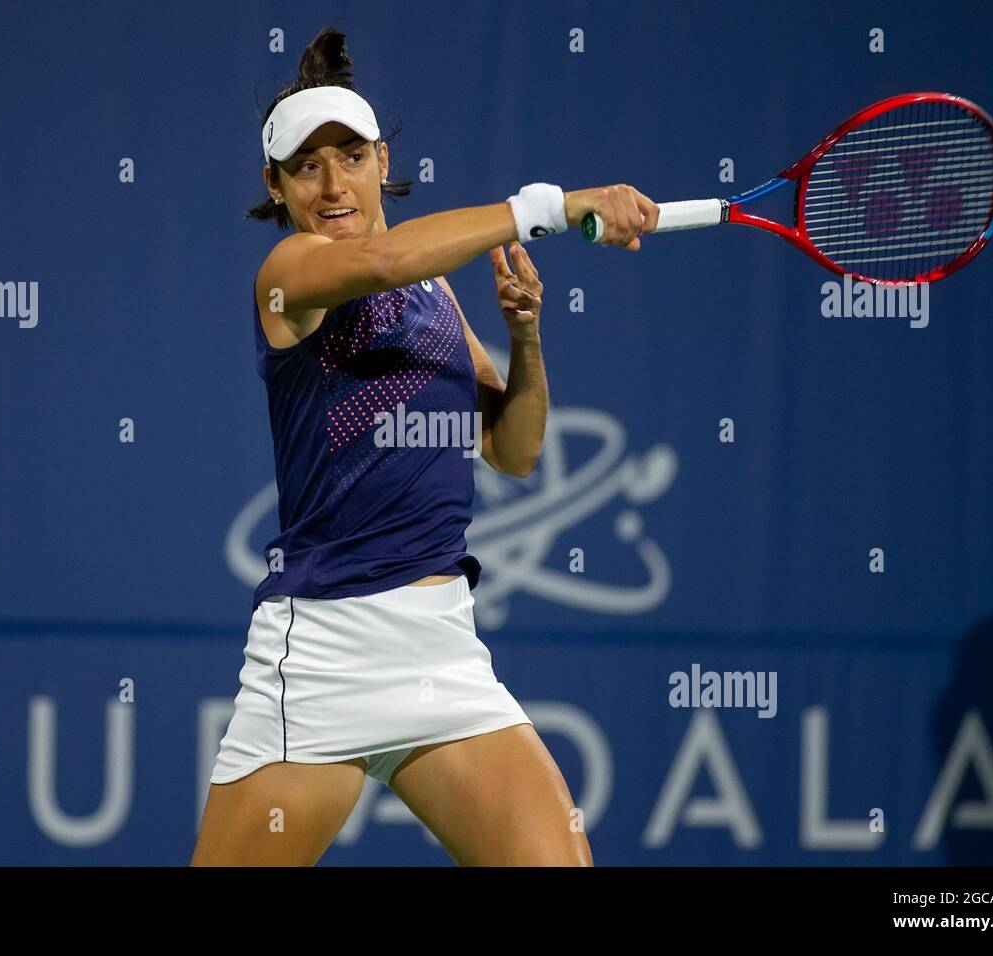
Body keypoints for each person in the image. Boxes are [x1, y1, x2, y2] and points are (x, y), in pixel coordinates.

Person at [191, 27, 657, 866]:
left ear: (381, 163)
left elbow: (513, 451)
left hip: (440, 647)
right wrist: (552, 207)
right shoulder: (287, 277)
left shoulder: (435, 291)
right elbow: (376, 260)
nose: (333, 183)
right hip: (324, 653)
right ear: (277, 185)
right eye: (307, 166)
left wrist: (527, 339)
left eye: (353, 157)